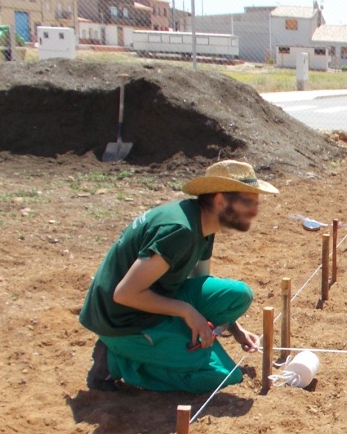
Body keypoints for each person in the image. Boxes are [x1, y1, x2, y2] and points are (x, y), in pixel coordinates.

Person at [80, 159, 277, 393]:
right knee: (222, 376)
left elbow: (200, 282)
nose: (253, 210)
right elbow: (125, 294)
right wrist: (187, 311)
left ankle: (175, 341)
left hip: (154, 295)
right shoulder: (179, 230)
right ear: (220, 200)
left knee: (239, 295)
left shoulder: (204, 222)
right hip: (122, 319)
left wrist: (235, 328)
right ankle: (116, 361)